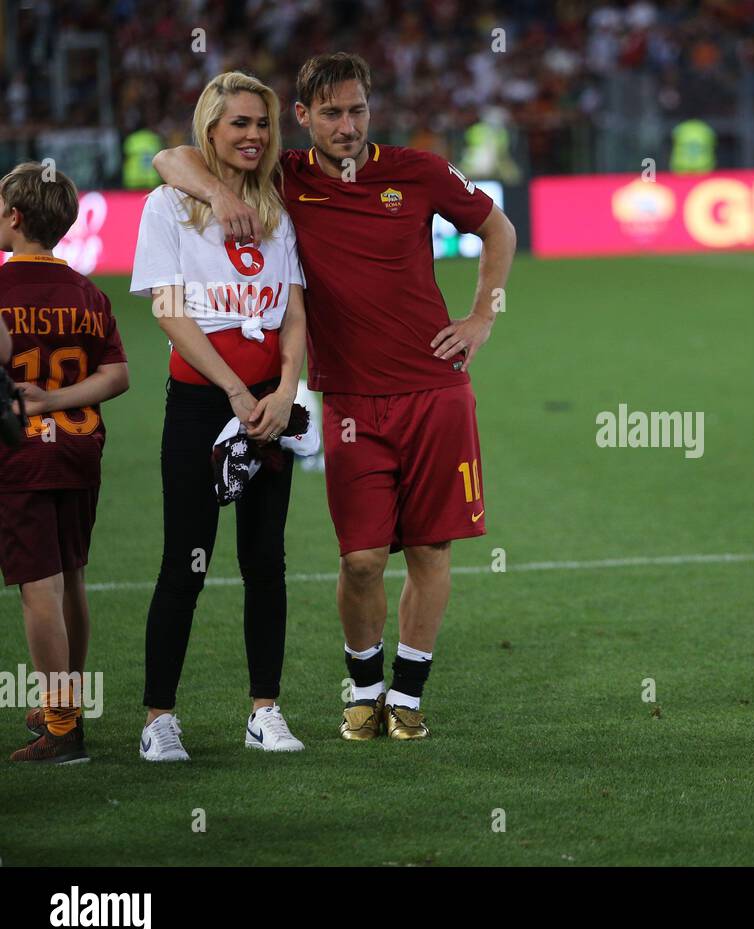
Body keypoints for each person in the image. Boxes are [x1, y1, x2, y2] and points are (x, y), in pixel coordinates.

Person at [153, 53, 517, 741]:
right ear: (303, 118)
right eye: (330, 114)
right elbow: (172, 158)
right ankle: (363, 684)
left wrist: (481, 316)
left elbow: (498, 228)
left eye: (356, 110)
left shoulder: (417, 170)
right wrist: (225, 198)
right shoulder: (284, 178)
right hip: (349, 401)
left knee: (432, 550)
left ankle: (406, 695)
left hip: (436, 392)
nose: (346, 126)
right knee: (360, 559)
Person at [130, 71, 308, 761]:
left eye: (261, 125)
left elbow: (294, 311)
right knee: (187, 562)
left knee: (267, 561)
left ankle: (265, 710)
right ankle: (158, 719)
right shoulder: (167, 206)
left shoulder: (277, 208)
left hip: (270, 403)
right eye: (238, 123)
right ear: (210, 128)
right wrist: (235, 390)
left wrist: (286, 388)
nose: (253, 136)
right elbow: (169, 312)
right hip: (206, 403)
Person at [0, 161, 130, 764]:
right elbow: (117, 376)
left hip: (20, 454)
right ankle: (67, 702)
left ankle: (61, 725)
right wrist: (58, 400)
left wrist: (37, 401)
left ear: (16, 217)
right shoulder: (87, 291)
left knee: (37, 587)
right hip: (80, 447)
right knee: (72, 575)